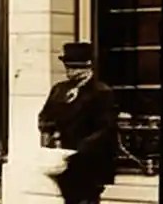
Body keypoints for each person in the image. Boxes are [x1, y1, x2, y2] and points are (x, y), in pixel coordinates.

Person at [39, 42, 118, 204]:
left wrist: (82, 148)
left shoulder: (101, 92)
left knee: (87, 197)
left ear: (87, 67)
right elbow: (46, 115)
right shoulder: (59, 90)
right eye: (68, 67)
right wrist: (48, 132)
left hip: (91, 158)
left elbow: (106, 126)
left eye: (75, 67)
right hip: (63, 157)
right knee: (70, 196)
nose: (70, 71)